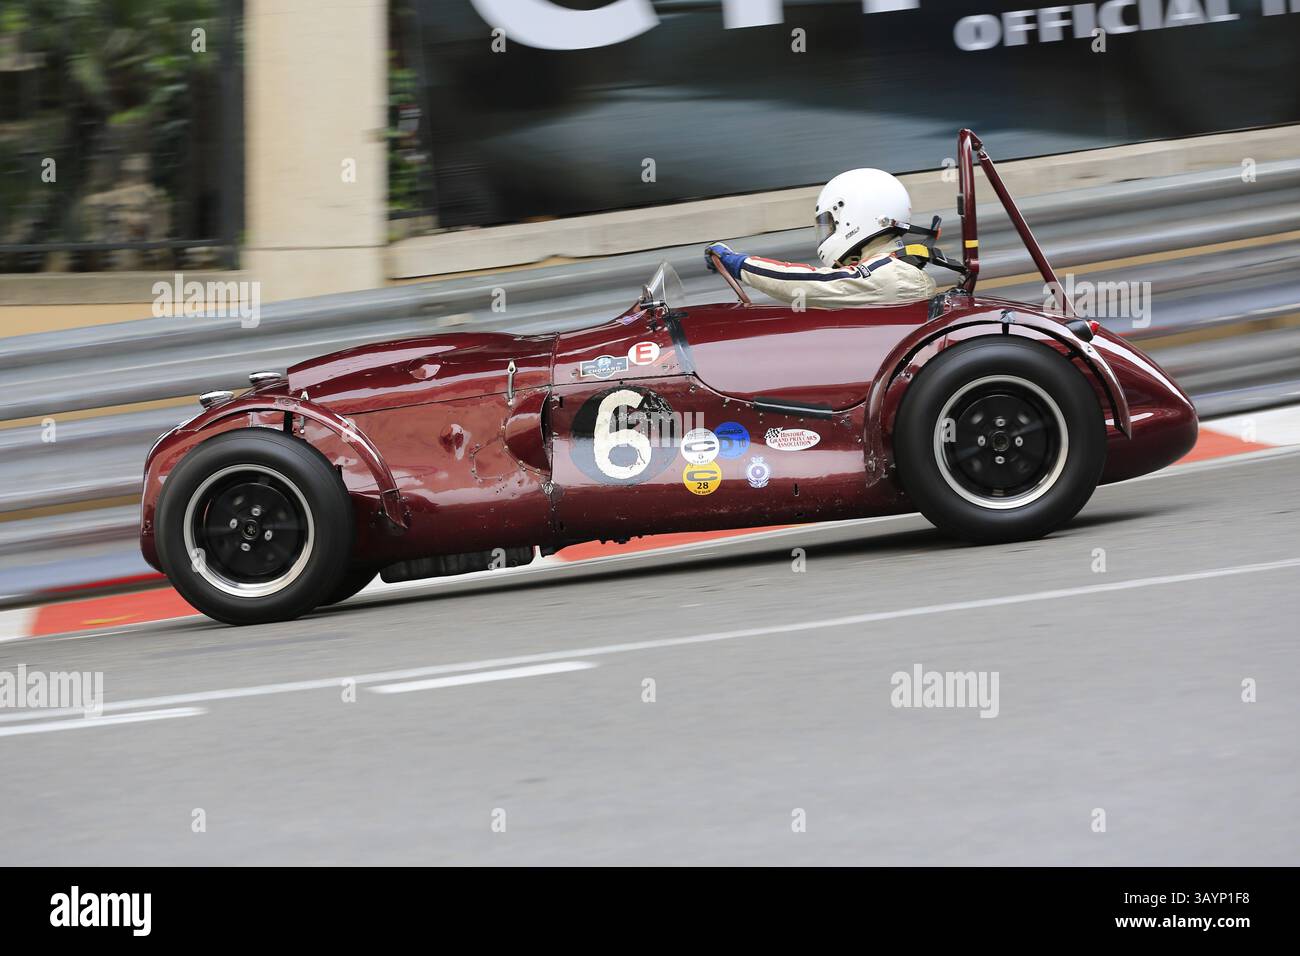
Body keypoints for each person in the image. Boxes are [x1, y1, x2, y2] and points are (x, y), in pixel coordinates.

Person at [706, 168, 938, 309]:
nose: (828, 232)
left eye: (830, 223)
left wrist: (737, 263)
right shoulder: (898, 267)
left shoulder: (891, 272)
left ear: (854, 214)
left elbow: (807, 284)